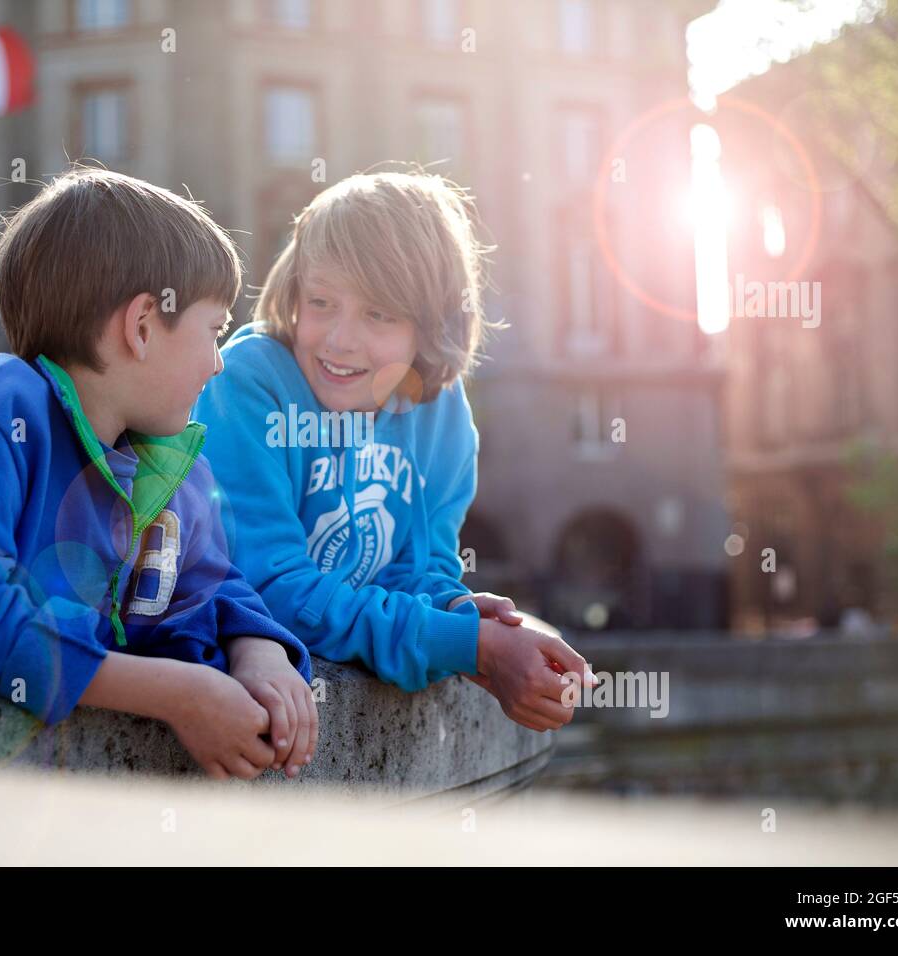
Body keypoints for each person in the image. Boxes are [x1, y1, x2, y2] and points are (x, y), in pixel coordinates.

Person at [0, 167, 317, 780]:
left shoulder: (173, 467)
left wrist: (257, 649)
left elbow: (210, 586)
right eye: (213, 331)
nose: (218, 363)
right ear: (140, 327)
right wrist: (176, 693)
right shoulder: (3, 410)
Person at [193, 170, 596, 733]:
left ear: (428, 328)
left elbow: (420, 568)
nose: (339, 338)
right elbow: (271, 588)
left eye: (378, 314)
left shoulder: (441, 414)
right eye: (322, 302)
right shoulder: (250, 383)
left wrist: (459, 614)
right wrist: (468, 647)